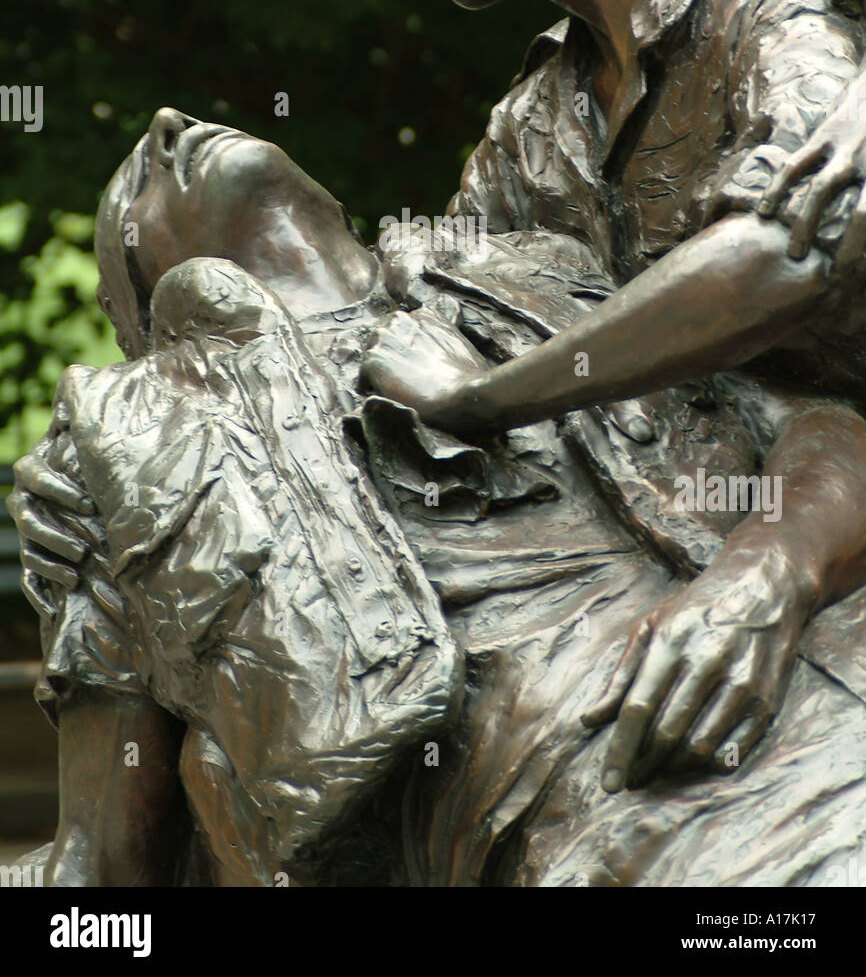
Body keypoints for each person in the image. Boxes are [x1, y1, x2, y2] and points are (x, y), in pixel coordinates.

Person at [12, 111, 866, 887]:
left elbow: (816, 429)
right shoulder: (123, 445)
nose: (170, 124)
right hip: (630, 810)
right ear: (143, 301)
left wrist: (768, 574)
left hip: (826, 667)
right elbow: (105, 874)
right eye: (137, 188)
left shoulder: (545, 273)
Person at [347, 0, 866, 813]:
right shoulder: (535, 125)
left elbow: (789, 258)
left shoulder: (783, 14)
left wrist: (488, 393)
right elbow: (439, 315)